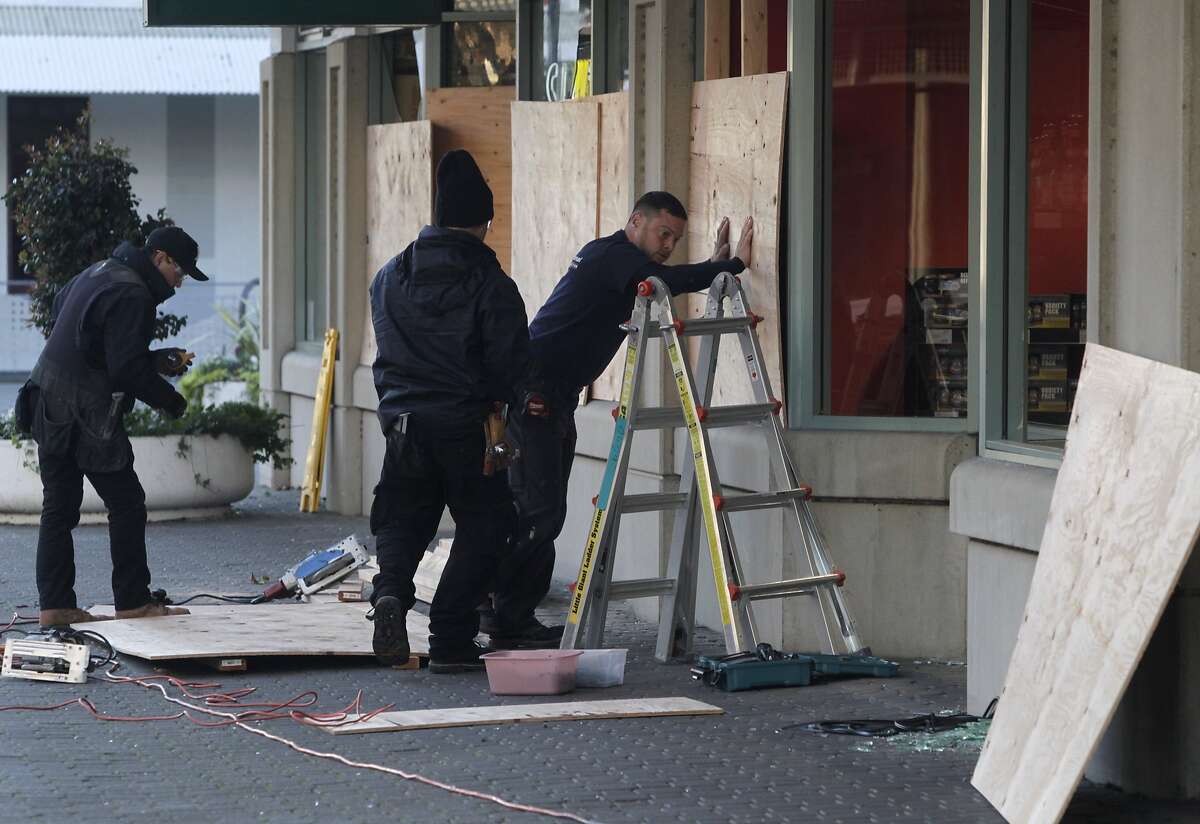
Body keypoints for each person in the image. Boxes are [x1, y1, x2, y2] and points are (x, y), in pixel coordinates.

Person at [481, 191, 754, 648]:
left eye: (675, 239)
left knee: (540, 511)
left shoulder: (616, 261)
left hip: (552, 394)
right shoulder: (614, 255)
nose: (668, 244)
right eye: (663, 233)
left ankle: (501, 610)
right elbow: (665, 281)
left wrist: (711, 265)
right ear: (634, 222)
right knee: (538, 513)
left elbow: (663, 279)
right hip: (536, 394)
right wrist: (730, 268)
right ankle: (501, 614)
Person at [367, 149, 531, 674]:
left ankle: (390, 594)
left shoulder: (390, 276)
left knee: (403, 518)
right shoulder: (491, 284)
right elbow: (510, 366)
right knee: (487, 525)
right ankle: (451, 635)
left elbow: (388, 348)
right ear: (484, 221)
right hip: (466, 428)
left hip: (403, 426)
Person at [20, 226, 204, 627]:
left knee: (59, 507)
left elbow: (85, 337)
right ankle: (133, 601)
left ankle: (55, 606)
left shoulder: (99, 272)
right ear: (159, 258)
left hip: (46, 398)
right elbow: (123, 369)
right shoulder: (135, 294)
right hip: (86, 413)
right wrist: (170, 400)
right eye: (181, 270)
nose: (181, 279)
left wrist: (156, 360)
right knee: (126, 502)